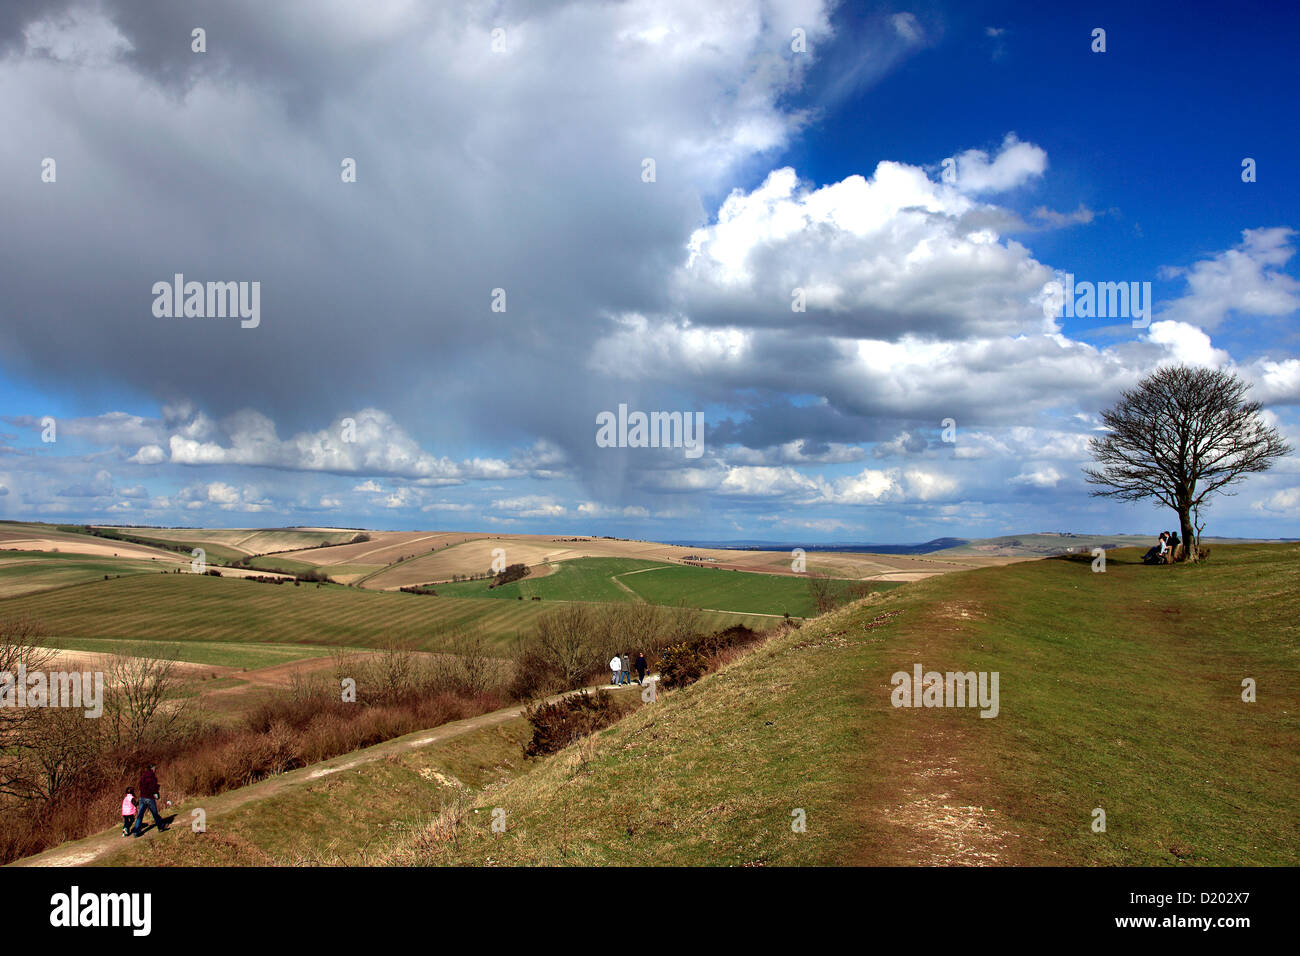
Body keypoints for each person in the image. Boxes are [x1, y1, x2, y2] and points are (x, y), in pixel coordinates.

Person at [132, 764, 167, 837]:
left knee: (140, 815)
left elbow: (141, 786)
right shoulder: (152, 777)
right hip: (149, 798)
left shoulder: (143, 776)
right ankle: (161, 827)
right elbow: (153, 788)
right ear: (153, 769)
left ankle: (136, 831)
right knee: (155, 813)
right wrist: (156, 793)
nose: (156, 770)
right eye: (155, 769)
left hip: (142, 797)